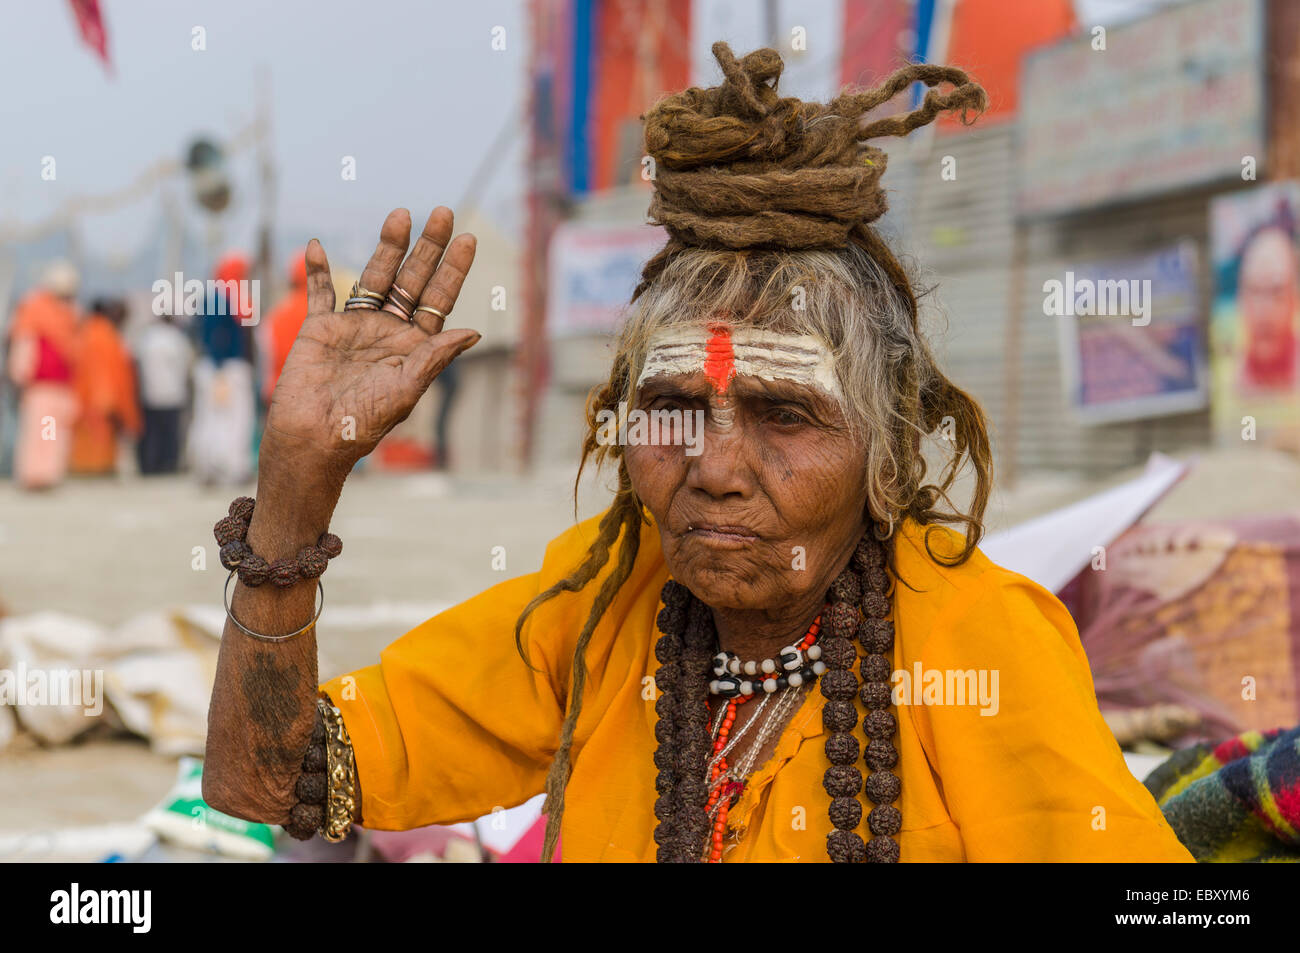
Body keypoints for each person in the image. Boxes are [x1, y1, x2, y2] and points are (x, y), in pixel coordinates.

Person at [202, 45, 1194, 862]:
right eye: (671, 410)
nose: (714, 466)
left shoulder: (978, 635)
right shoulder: (601, 608)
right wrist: (297, 479)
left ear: (884, 452)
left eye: (784, 415)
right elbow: (264, 781)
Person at [5, 261, 82, 490]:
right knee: (45, 433)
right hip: (43, 388)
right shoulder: (35, 311)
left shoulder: (69, 315)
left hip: (60, 389)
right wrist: (20, 377)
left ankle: (46, 473)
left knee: (51, 433)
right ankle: (39, 474)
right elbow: (23, 350)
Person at [188, 253, 255, 485]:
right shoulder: (225, 296)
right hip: (225, 369)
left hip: (217, 367)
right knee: (231, 419)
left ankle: (212, 467)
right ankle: (229, 468)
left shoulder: (217, 296)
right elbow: (218, 337)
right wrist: (220, 371)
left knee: (213, 417)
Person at [70, 297, 141, 475]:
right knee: (98, 435)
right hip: (102, 394)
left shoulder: (85, 332)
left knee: (87, 436)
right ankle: (96, 467)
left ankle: (86, 466)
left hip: (85, 394)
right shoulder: (105, 334)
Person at [1235, 223, 1299, 394]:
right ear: (1241, 298)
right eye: (1255, 291)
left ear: (1294, 299)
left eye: (1276, 292)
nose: (1265, 309)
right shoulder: (1232, 384)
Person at [135, 311, 193, 475]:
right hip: (173, 394)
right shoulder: (177, 338)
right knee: (170, 434)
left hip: (150, 393)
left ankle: (150, 466)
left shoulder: (147, 337)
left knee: (151, 433)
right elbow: (187, 364)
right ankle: (169, 465)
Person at [263, 249, 309, 404]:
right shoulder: (320, 314)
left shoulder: (277, 313)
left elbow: (267, 353)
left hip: (278, 389)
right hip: (309, 393)